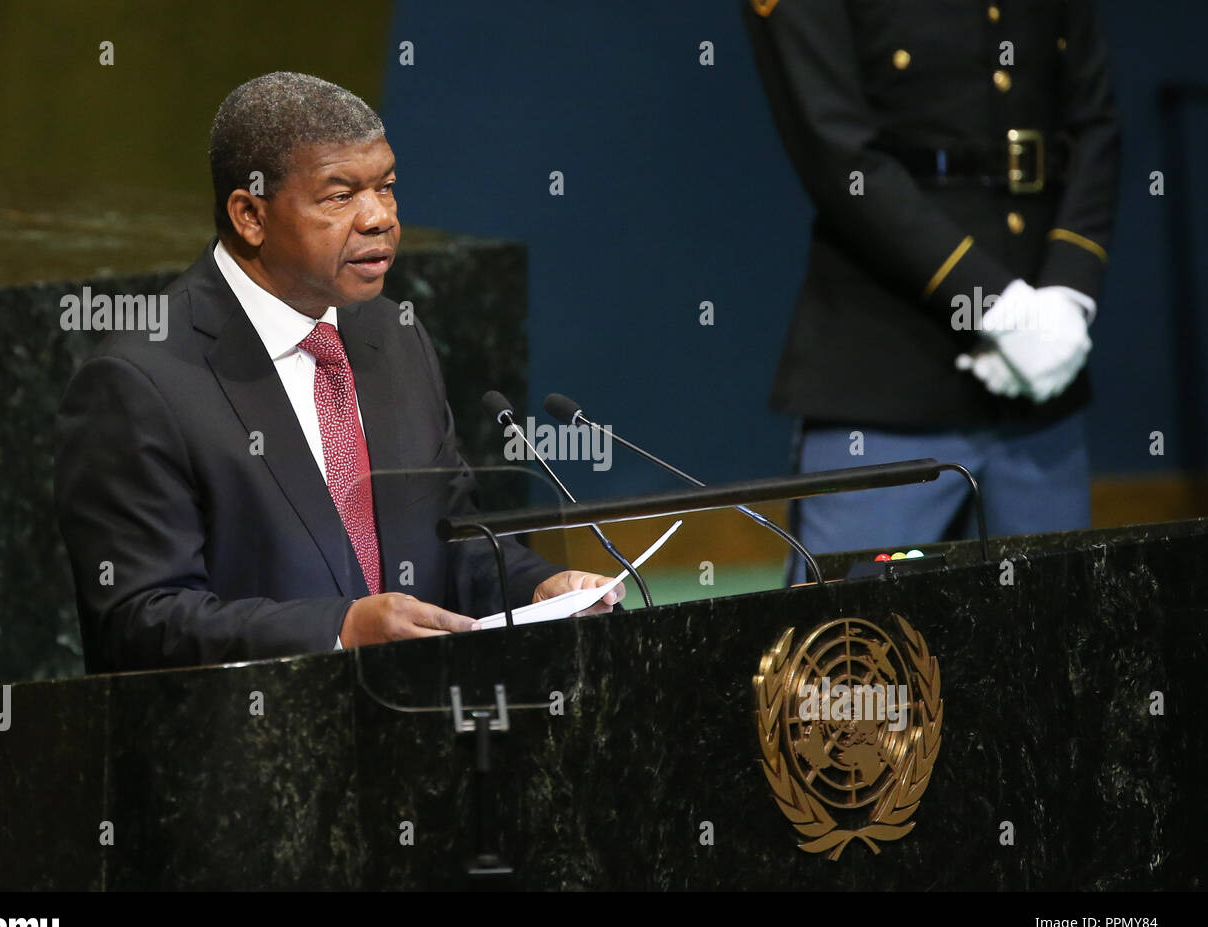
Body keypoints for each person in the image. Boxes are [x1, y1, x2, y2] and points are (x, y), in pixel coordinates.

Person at [54, 71, 624, 673]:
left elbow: (451, 544)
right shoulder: (140, 380)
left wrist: (536, 588)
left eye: (387, 186)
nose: (379, 217)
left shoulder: (393, 336)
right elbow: (139, 621)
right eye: (339, 195)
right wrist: (340, 630)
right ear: (251, 215)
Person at [743, 0, 1120, 580]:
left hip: (1045, 379)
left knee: (1059, 656)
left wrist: (1069, 294)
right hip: (888, 377)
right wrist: (998, 308)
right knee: (851, 658)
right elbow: (837, 154)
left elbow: (1094, 122)